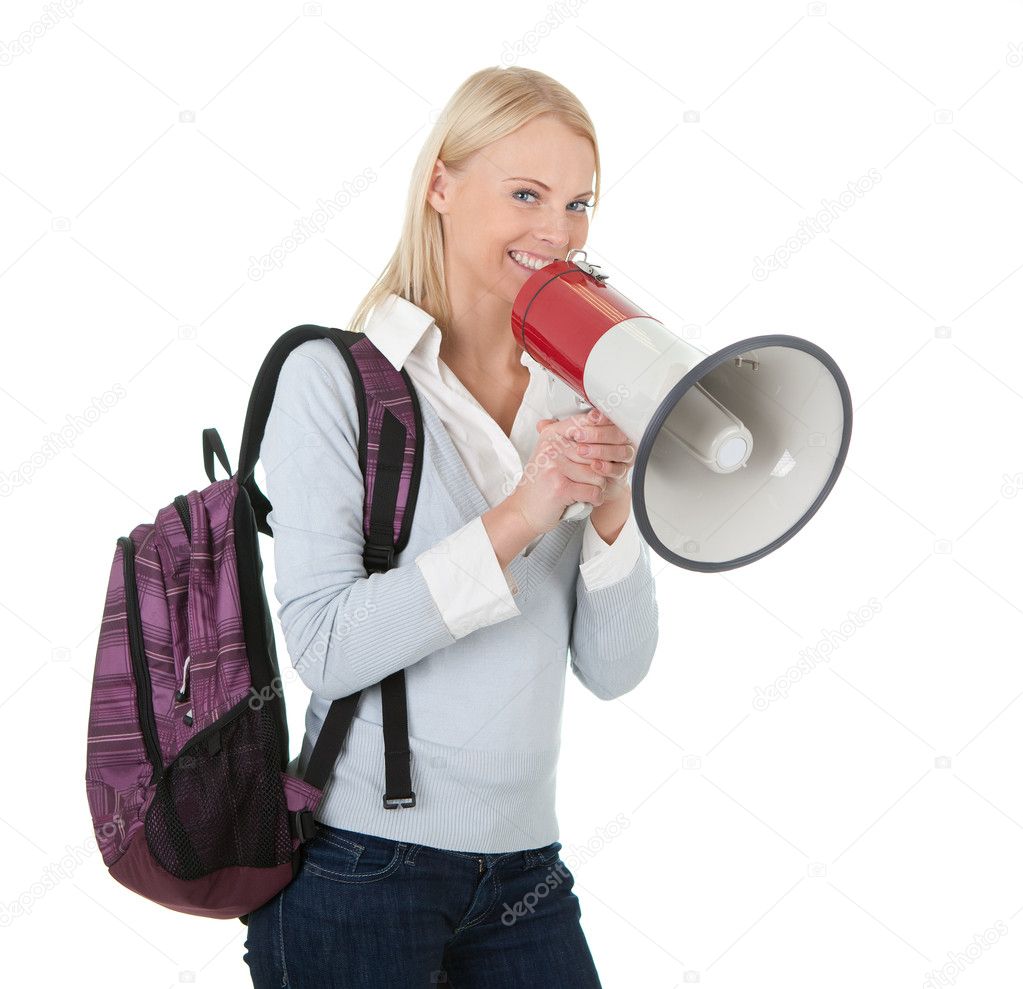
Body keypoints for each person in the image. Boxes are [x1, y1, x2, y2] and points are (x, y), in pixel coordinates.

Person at [243, 64, 660, 988]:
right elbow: (326, 645)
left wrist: (612, 499)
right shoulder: (334, 378)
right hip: (359, 867)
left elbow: (616, 669)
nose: (557, 231)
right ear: (440, 185)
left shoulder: (576, 390)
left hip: (526, 875)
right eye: (525, 194)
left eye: (579, 202)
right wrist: (522, 512)